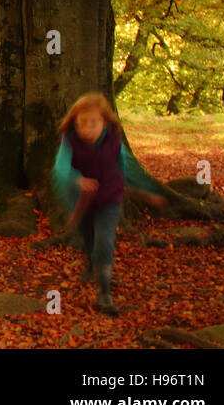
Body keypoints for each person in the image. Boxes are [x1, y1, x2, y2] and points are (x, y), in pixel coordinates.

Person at [50, 92, 167, 317]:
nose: (88, 128)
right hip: (80, 201)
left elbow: (127, 167)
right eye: (82, 123)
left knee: (104, 241)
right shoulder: (69, 139)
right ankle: (90, 265)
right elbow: (60, 167)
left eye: (94, 122)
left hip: (109, 199)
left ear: (105, 121)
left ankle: (104, 292)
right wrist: (77, 179)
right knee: (87, 236)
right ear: (74, 122)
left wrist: (147, 192)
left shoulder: (114, 139)